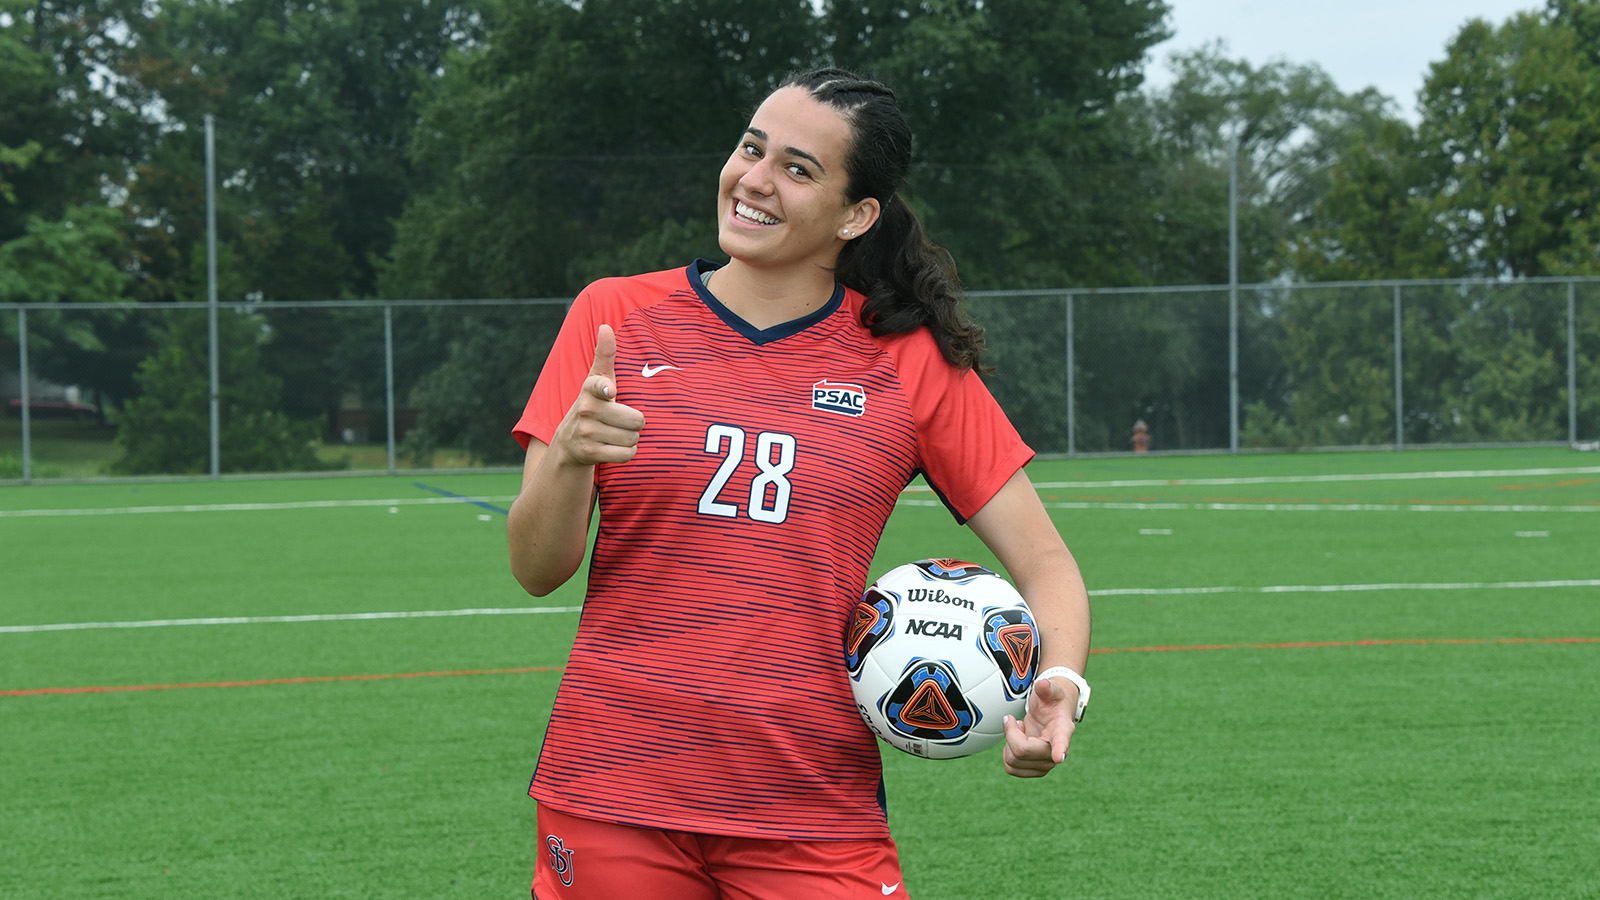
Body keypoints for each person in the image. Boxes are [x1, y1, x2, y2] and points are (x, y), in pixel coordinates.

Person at [507, 67, 1091, 900]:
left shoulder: (905, 359)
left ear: (857, 215)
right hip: (611, 786)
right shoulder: (613, 317)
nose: (754, 180)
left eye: (797, 168)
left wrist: (1060, 685)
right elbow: (535, 568)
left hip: (810, 803)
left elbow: (1047, 564)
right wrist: (567, 456)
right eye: (751, 149)